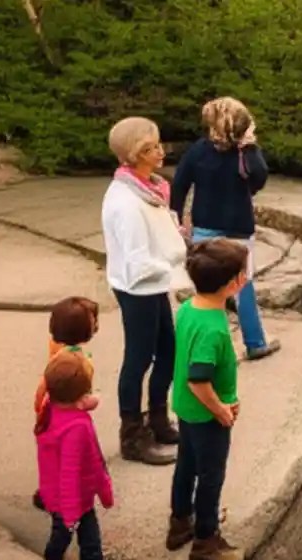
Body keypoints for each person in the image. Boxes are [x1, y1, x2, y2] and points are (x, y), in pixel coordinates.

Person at [171, 96, 281, 362]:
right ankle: (255, 343)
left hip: (205, 229)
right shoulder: (244, 154)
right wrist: (251, 147)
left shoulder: (199, 150)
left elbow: (180, 183)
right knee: (243, 285)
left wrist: (174, 213)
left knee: (205, 287)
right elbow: (259, 178)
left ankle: (199, 344)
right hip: (238, 231)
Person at [103, 117, 185, 466]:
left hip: (155, 283)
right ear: (134, 154)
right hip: (138, 286)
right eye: (151, 148)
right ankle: (132, 436)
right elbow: (138, 261)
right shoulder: (127, 203)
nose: (160, 152)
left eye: (158, 144)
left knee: (168, 350)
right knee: (138, 359)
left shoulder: (147, 188)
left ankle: (157, 418)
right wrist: (179, 264)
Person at [167, 239, 249, 560]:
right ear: (233, 283)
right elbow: (198, 378)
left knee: (186, 464)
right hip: (205, 415)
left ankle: (180, 521)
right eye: (243, 272)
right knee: (210, 475)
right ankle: (206, 539)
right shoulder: (214, 329)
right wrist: (221, 410)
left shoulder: (189, 308)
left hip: (186, 409)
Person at [37, 351, 136, 560]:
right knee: (79, 538)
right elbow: (72, 472)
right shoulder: (76, 427)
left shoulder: (51, 409)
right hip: (72, 500)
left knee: (68, 535)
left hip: (57, 495)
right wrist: (73, 511)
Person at [32, 296, 102, 511]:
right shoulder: (79, 361)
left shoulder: (56, 347)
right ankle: (65, 498)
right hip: (70, 413)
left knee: (50, 457)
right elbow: (81, 396)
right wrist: (93, 401)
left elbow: (42, 386)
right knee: (71, 459)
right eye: (94, 322)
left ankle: (47, 491)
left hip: (50, 412)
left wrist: (40, 408)